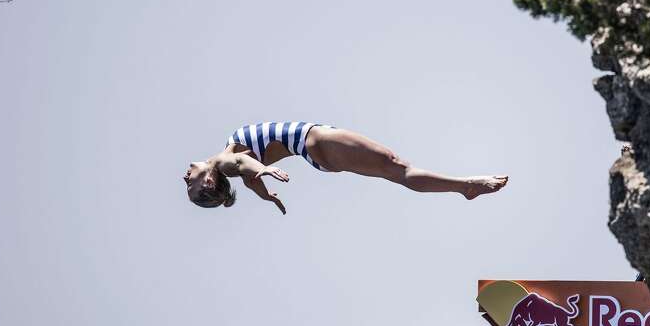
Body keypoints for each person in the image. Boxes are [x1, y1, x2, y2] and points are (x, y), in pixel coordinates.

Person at [184, 121, 509, 213]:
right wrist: (265, 171)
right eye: (191, 186)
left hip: (317, 152)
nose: (185, 176)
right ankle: (465, 185)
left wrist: (266, 195)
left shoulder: (228, 167)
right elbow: (244, 163)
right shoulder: (223, 161)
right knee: (398, 168)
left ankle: (463, 187)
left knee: (396, 171)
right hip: (317, 142)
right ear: (208, 183)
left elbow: (247, 174)